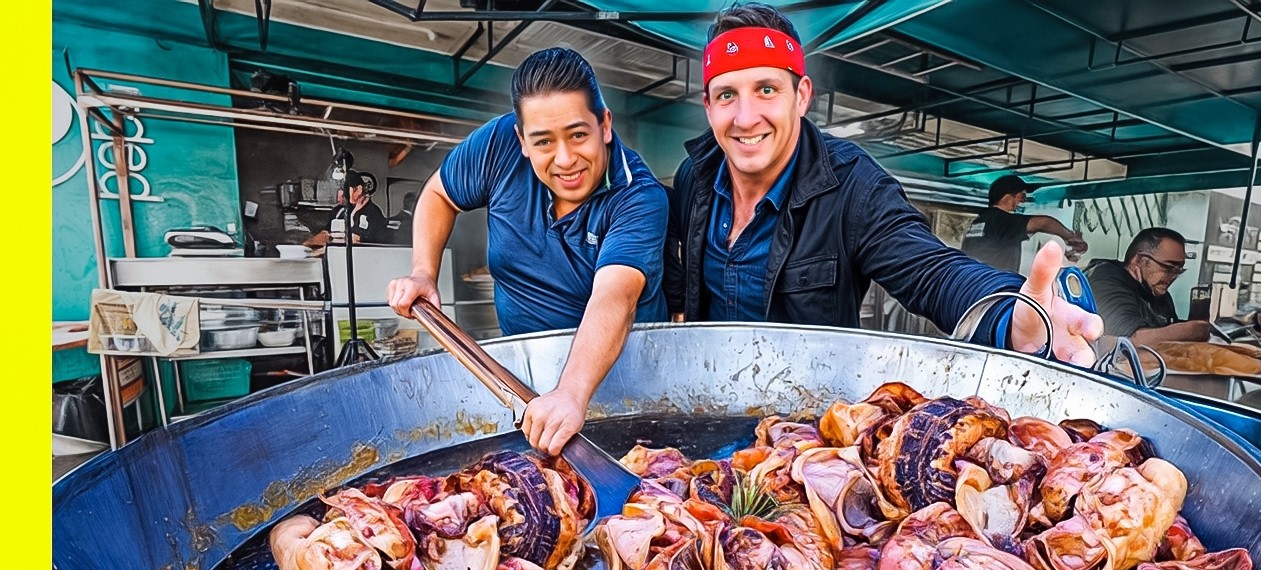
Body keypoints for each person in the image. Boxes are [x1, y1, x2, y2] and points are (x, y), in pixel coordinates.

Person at [664, 3, 1101, 364]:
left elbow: (931, 271)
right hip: (704, 407)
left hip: (806, 426)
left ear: (801, 96)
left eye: (766, 90)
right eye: (727, 94)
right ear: (708, 106)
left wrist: (1011, 315)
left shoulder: (854, 185)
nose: (745, 118)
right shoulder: (694, 176)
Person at [387, 47, 668, 456]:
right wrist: (423, 271)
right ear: (521, 140)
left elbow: (615, 297)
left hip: (624, 392)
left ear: (605, 125)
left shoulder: (639, 197)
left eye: (578, 135)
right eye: (544, 142)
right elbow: (439, 194)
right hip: (524, 386)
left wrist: (570, 394)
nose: (565, 159)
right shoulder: (496, 146)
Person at [1085, 227, 1211, 345]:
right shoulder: (1105, 278)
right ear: (1139, 260)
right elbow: (1131, 340)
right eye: (1168, 268)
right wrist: (1193, 330)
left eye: (1178, 271)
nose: (1173, 276)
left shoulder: (1159, 294)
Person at [961, 175, 1088, 272]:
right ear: (1007, 197)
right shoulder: (1000, 220)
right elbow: (1043, 223)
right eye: (1021, 196)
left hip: (975, 284)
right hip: (995, 286)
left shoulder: (979, 221)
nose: (1024, 201)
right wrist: (1071, 238)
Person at [305, 171, 389, 247]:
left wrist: (325, 250)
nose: (340, 195)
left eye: (344, 190)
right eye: (339, 190)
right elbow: (325, 234)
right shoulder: (338, 211)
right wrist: (307, 246)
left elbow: (358, 240)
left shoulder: (373, 213)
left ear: (358, 190)